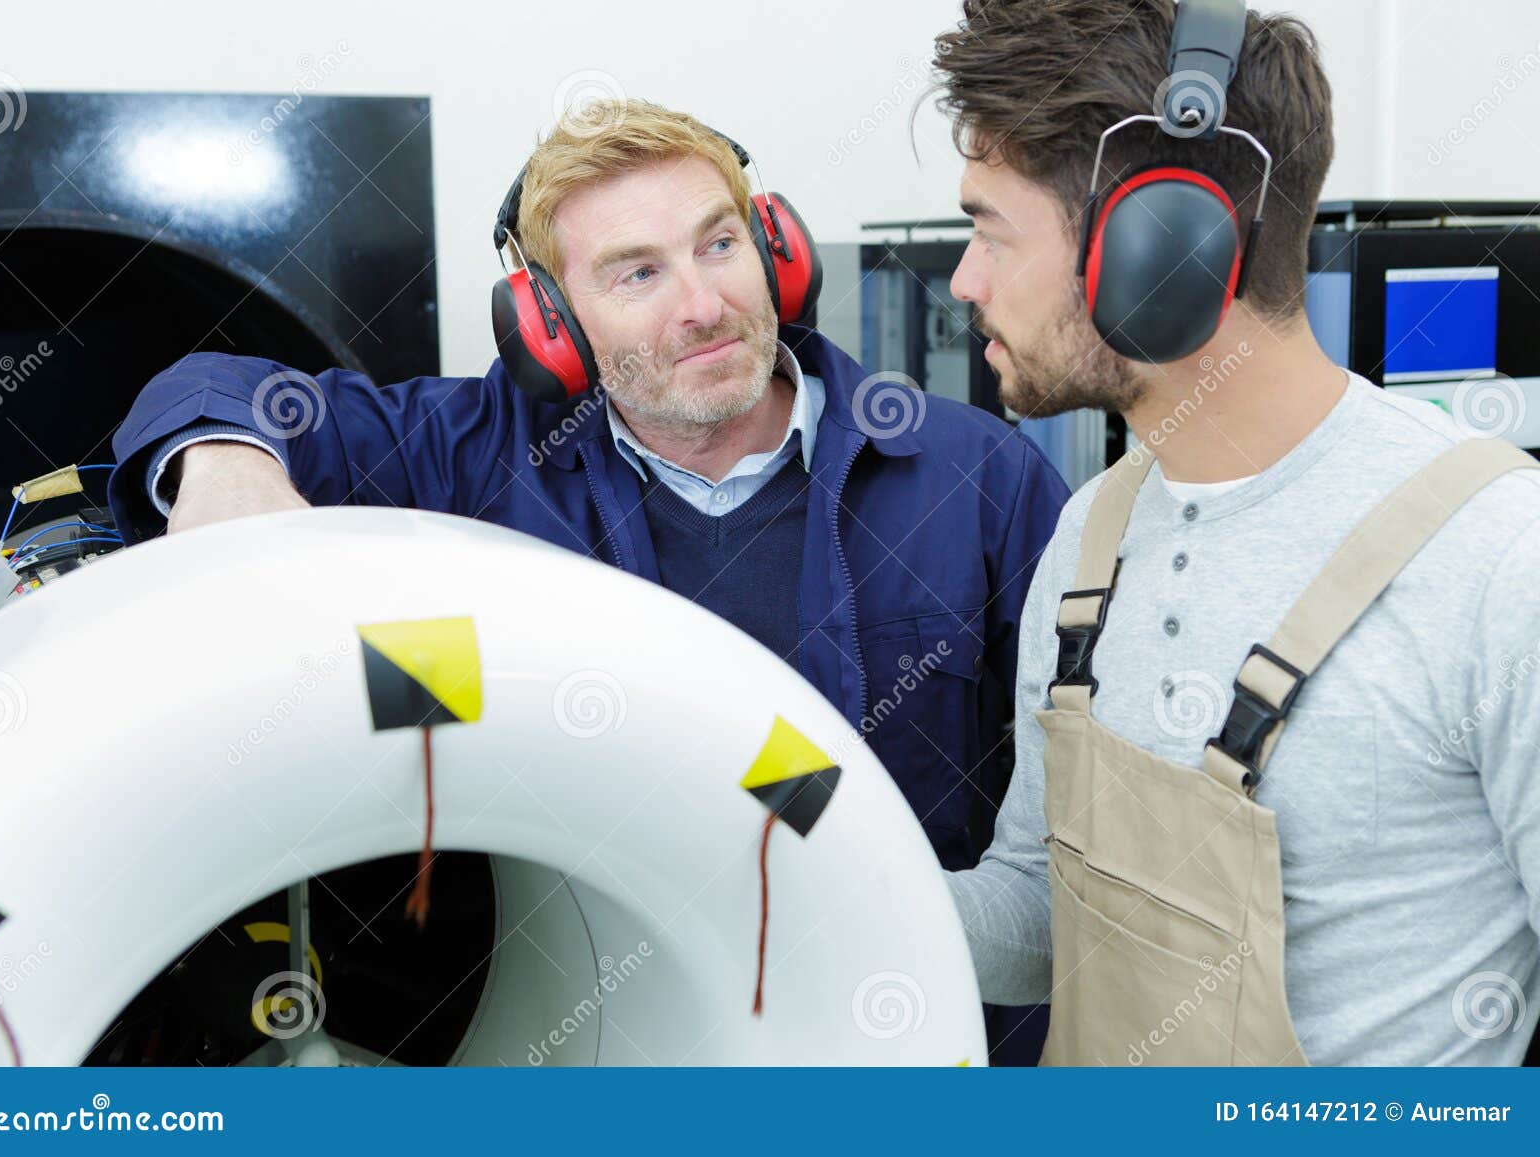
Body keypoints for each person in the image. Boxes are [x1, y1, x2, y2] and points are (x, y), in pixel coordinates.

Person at [105, 99, 1071, 1061]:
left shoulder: (979, 479)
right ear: (549, 324)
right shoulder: (475, 457)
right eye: (638, 273)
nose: (704, 304)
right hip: (620, 1044)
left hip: (909, 1042)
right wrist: (223, 464)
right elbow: (206, 389)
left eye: (720, 244)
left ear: (778, 252)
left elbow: (1070, 847)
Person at [935, 0, 1540, 1064]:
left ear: (1154, 248)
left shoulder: (1497, 556)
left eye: (990, 231)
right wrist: (813, 876)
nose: (962, 282)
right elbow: (1042, 912)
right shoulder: (1089, 534)